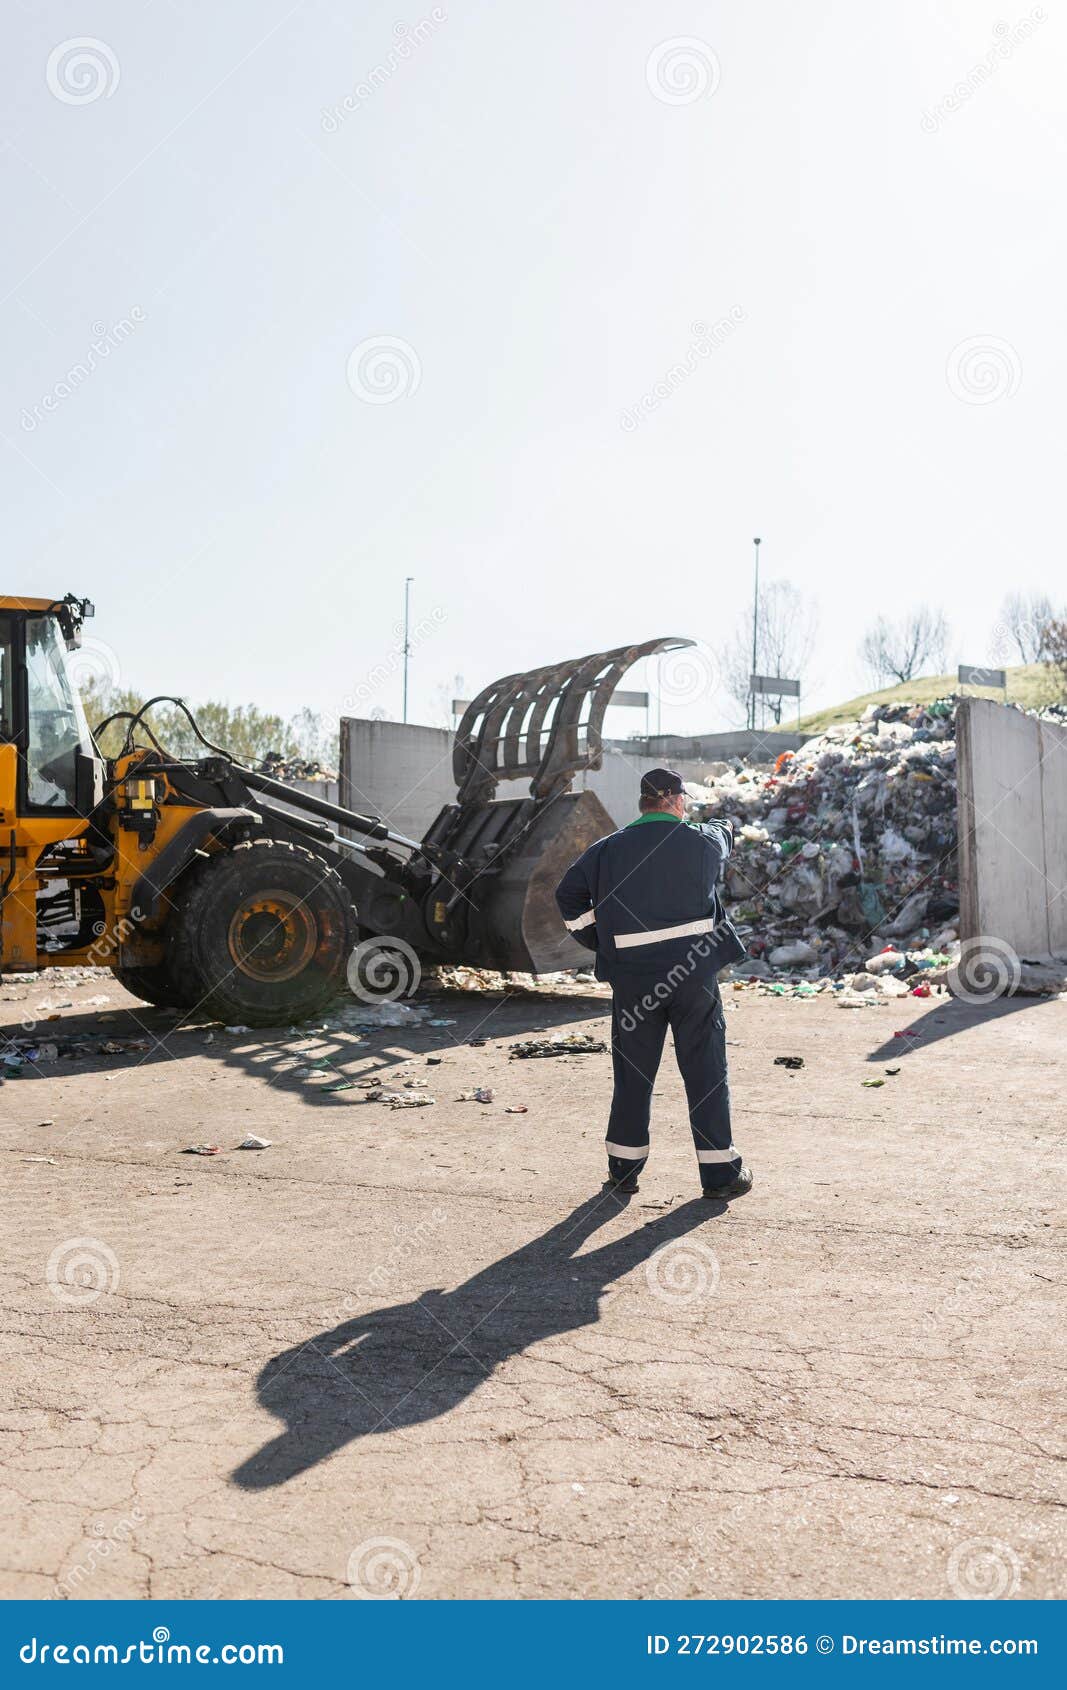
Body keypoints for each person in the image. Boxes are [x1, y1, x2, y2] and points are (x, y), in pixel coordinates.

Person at [555, 767, 753, 1200]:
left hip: (634, 980)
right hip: (693, 978)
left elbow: (567, 896)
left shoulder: (607, 850)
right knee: (705, 1071)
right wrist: (720, 823)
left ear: (643, 802)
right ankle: (720, 1175)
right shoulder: (701, 840)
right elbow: (723, 833)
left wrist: (604, 939)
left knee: (633, 1075)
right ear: (677, 800)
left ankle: (624, 1173)